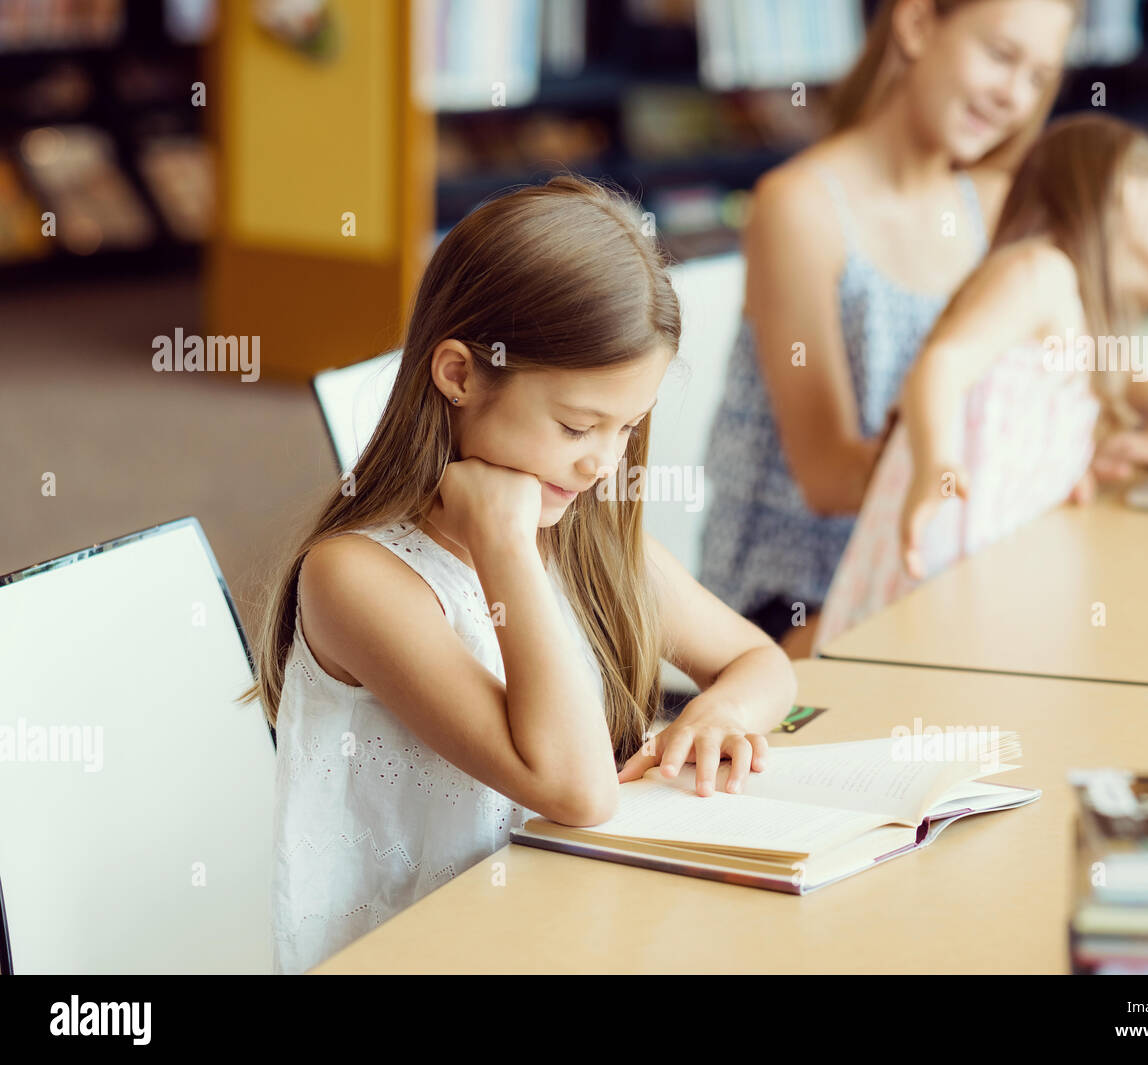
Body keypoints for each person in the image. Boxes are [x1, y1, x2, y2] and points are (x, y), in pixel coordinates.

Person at [242, 176, 797, 975]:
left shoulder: (586, 541)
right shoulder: (356, 578)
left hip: (563, 933)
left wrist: (718, 714)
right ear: (460, 374)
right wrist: (503, 544)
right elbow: (576, 789)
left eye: (626, 428)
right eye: (576, 426)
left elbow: (761, 660)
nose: (602, 462)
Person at [698, 0, 1085, 658]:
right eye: (1000, 56)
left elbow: (1063, 364)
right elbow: (826, 477)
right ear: (917, 25)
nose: (1014, 97)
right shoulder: (800, 206)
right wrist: (1008, 466)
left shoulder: (993, 205)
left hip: (930, 572)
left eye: (1038, 77)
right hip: (787, 604)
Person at [812, 114, 1148, 650]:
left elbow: (1046, 418)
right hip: (948, 553)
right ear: (1129, 195)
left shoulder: (1080, 310)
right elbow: (942, 364)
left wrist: (1089, 458)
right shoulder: (1043, 273)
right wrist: (937, 462)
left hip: (991, 562)